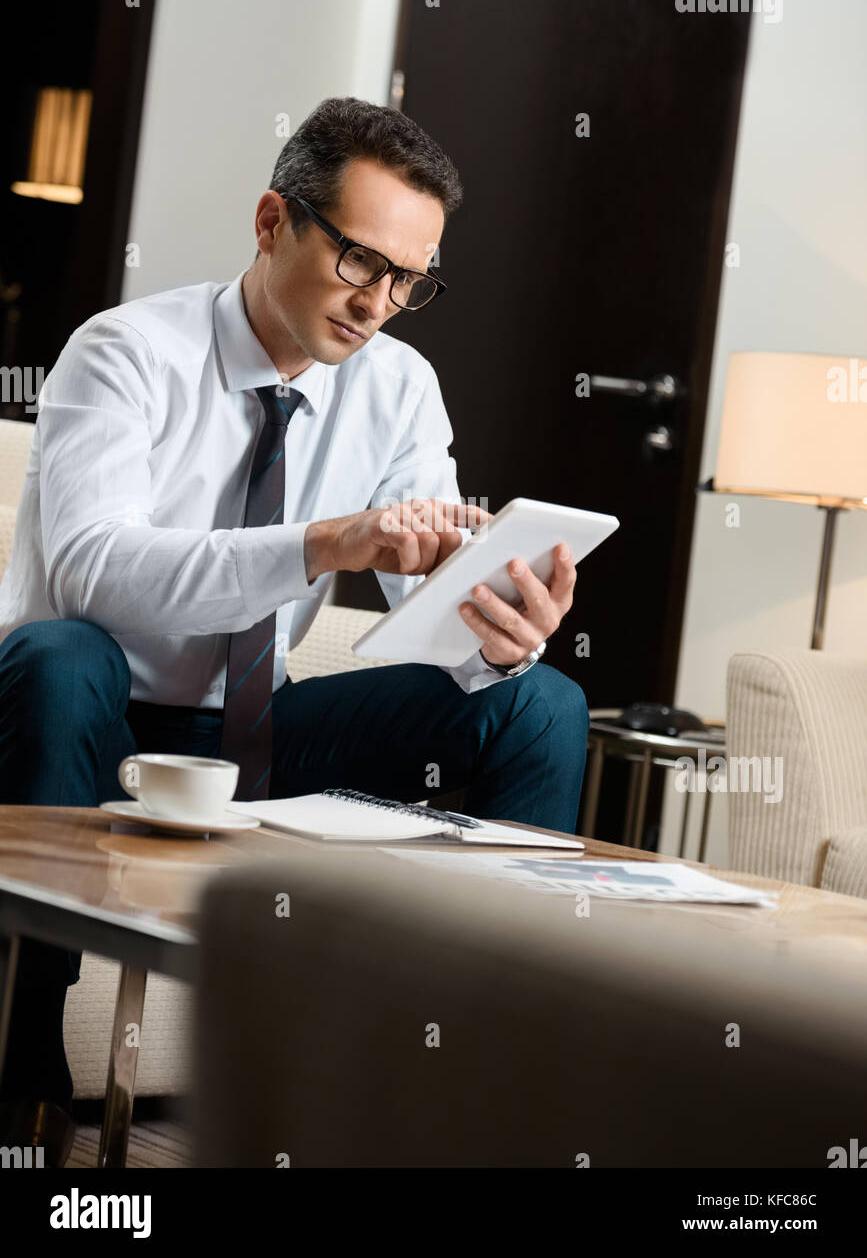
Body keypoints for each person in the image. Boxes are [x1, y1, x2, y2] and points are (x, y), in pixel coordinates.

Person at [0, 97, 588, 1161]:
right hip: (91, 728)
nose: (379, 307)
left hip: (257, 738)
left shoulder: (402, 389)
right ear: (273, 220)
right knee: (56, 654)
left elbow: (434, 608)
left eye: (410, 281)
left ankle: (490, 1081)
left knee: (539, 703)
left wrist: (500, 630)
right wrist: (324, 543)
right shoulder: (125, 352)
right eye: (361, 262)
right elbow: (91, 571)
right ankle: (19, 1073)